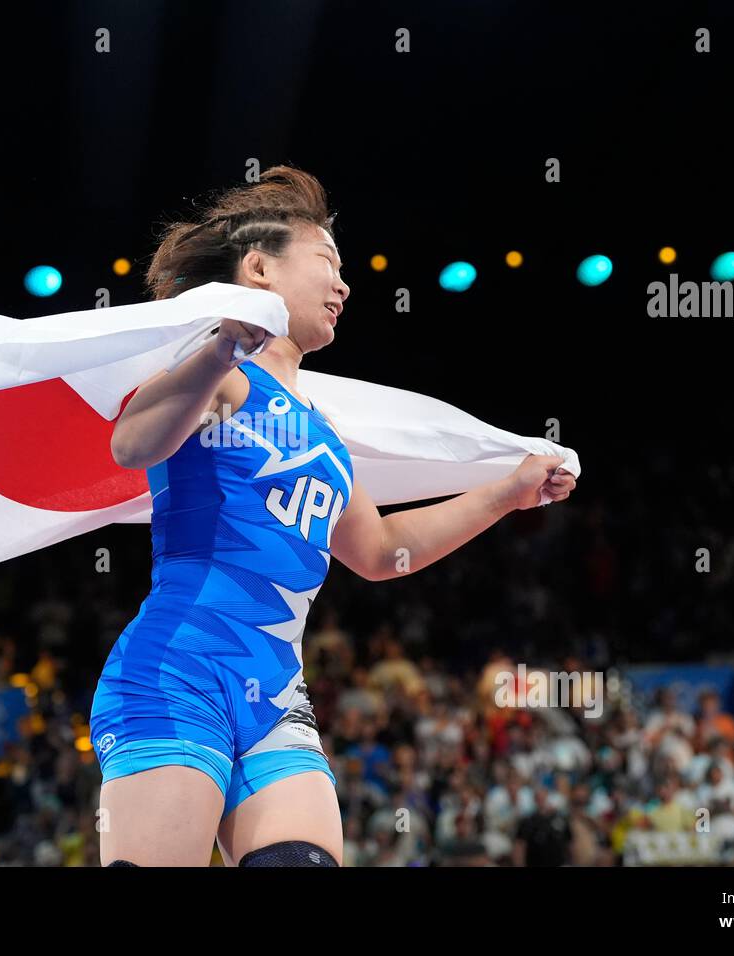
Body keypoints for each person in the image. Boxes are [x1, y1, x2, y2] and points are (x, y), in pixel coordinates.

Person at [92, 166, 577, 867]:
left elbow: (382, 551)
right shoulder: (218, 374)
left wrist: (508, 493)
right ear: (258, 269)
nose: (344, 284)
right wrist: (224, 343)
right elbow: (131, 442)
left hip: (275, 699)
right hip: (175, 676)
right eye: (326, 262)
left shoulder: (325, 439)